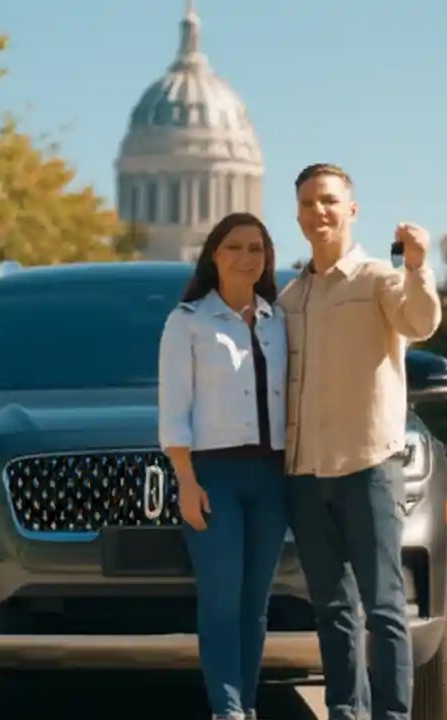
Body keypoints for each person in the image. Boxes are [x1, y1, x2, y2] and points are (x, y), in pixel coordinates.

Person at [278, 163, 442, 720]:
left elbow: (419, 323)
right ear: (297, 214)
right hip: (305, 475)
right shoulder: (290, 299)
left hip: (368, 468)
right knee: (332, 609)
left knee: (385, 609)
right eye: (307, 203)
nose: (317, 211)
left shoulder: (379, 279)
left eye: (328, 200)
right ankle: (346, 712)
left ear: (351, 209)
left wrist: (418, 267)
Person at [158, 212, 290, 720]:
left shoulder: (281, 320)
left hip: (272, 477)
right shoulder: (187, 321)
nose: (246, 257)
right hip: (214, 477)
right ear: (214, 254)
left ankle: (248, 705)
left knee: (255, 604)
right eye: (234, 247)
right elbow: (174, 409)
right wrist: (185, 482)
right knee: (221, 599)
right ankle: (226, 710)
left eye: (256, 248)